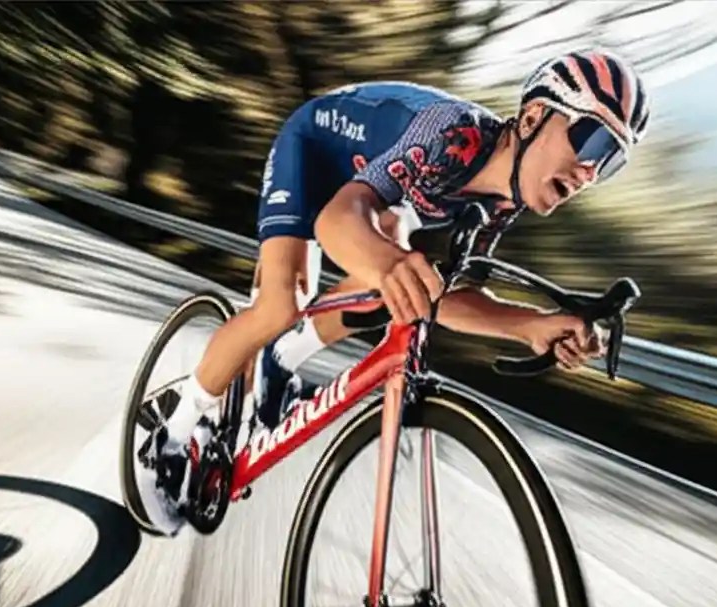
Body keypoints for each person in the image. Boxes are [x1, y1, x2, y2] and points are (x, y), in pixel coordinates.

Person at [137, 49, 651, 532]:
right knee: (280, 305)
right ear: (536, 116)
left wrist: (530, 325)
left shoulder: (502, 203)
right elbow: (339, 219)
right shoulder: (455, 135)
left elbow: (447, 299)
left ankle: (280, 360)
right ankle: (175, 433)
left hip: (368, 189)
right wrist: (388, 261)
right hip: (313, 154)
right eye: (592, 142)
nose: (590, 171)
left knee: (410, 283)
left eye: (611, 161)